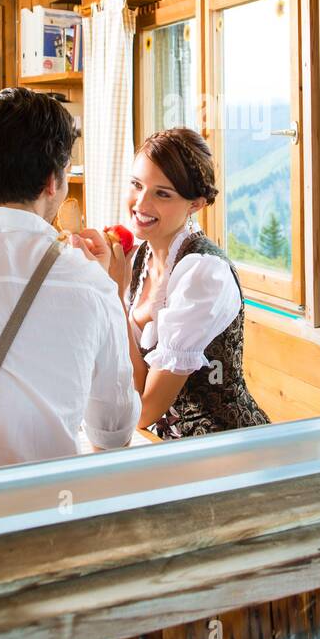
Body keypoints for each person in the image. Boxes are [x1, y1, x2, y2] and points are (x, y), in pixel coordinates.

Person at [0, 88, 140, 476]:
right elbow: (113, 432)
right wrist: (112, 292)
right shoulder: (89, 282)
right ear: (51, 181)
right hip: (37, 519)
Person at [118, 127, 270, 437]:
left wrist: (110, 296)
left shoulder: (204, 274)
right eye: (136, 184)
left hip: (223, 447)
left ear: (195, 204)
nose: (141, 203)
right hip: (158, 441)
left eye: (162, 193)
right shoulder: (138, 258)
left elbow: (145, 409)